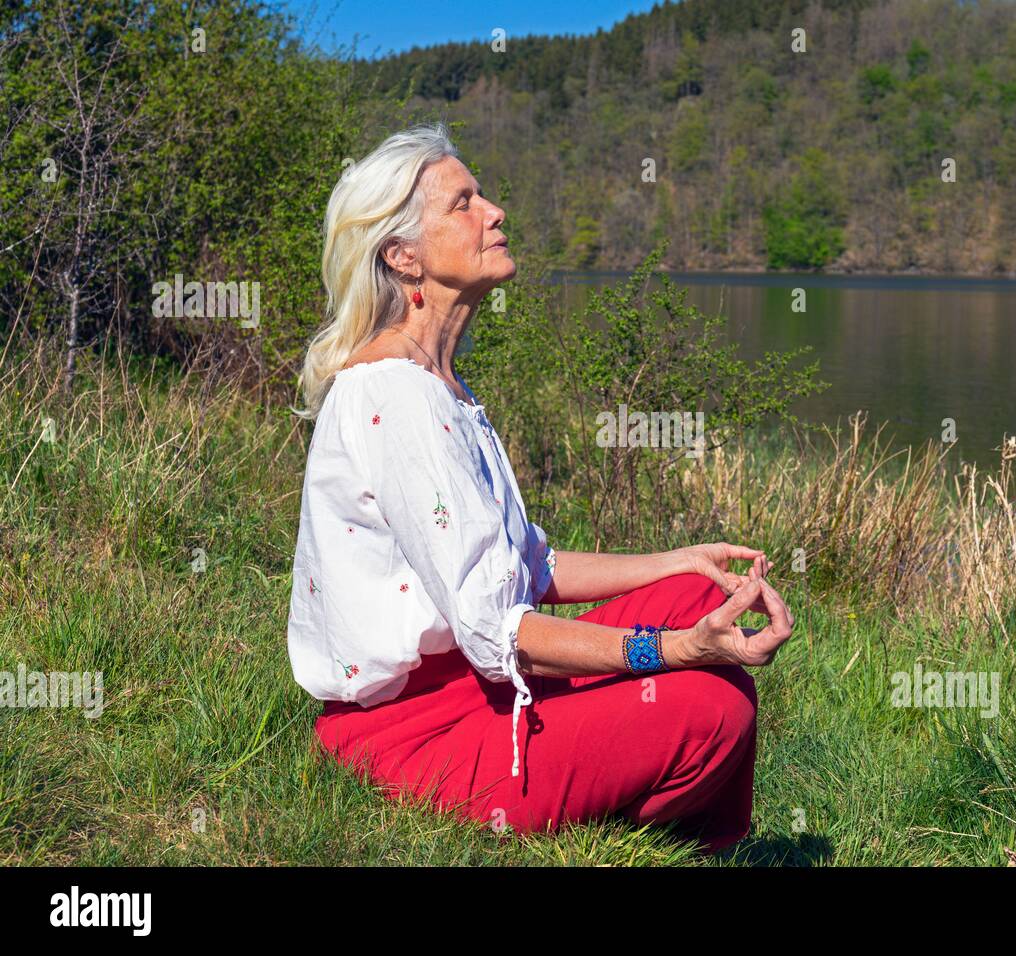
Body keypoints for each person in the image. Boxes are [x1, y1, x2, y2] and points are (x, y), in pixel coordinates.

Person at [286, 123, 794, 854]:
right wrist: (674, 650)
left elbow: (528, 565)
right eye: (463, 203)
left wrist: (678, 562)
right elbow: (499, 630)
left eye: (482, 196)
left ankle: (633, 790)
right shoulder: (393, 398)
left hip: (477, 684)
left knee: (696, 595)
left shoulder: (441, 387)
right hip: (413, 734)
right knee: (711, 709)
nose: (494, 212)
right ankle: (664, 831)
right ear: (403, 256)